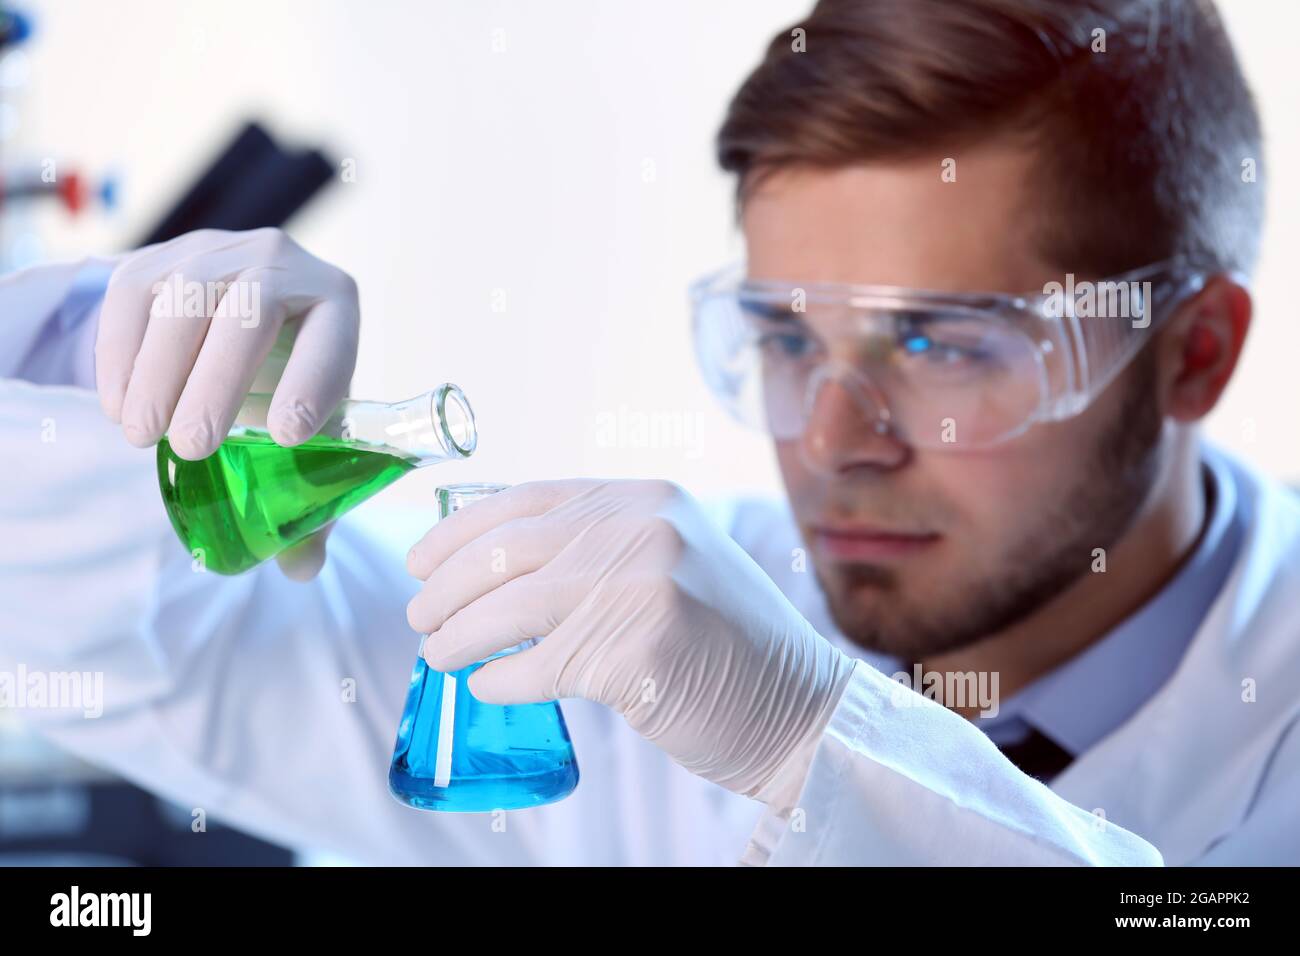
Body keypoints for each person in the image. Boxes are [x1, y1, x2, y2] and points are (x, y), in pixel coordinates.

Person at [2, 0, 1297, 866]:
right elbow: (141, 649)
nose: (835, 436)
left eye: (940, 341)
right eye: (783, 337)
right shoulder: (657, 645)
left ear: (1195, 354)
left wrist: (814, 737)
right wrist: (103, 367)